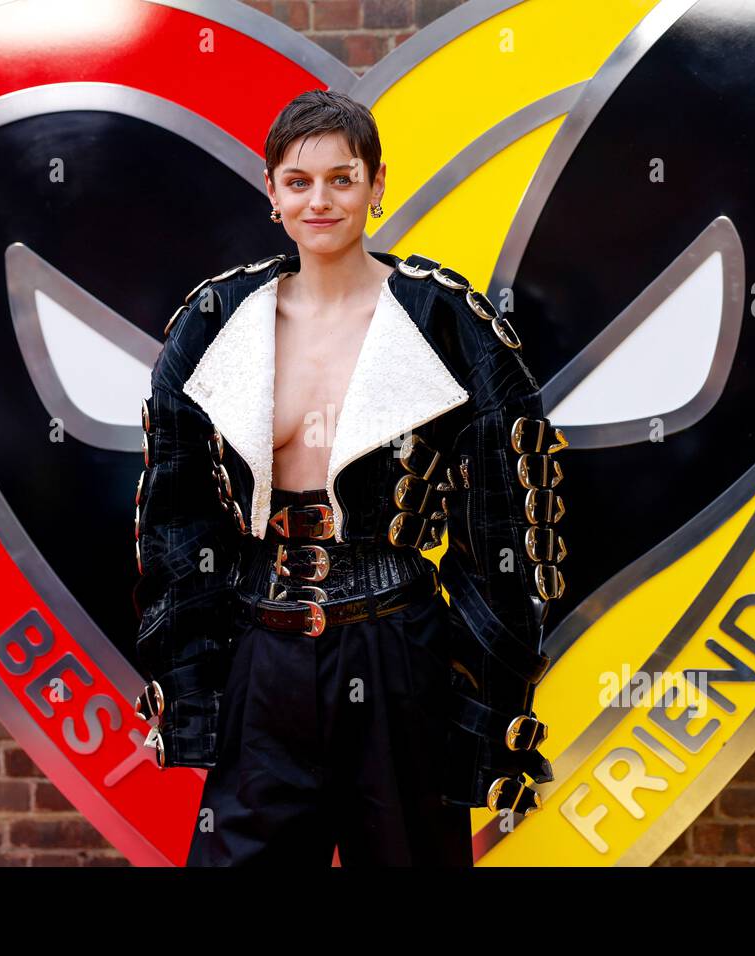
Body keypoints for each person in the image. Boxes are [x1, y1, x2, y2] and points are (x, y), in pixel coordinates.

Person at [131, 89, 568, 866]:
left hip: (398, 649)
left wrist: (486, 697)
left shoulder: (444, 320)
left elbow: (509, 515)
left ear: (377, 185)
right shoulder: (214, 321)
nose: (320, 200)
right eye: (299, 182)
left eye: (341, 178)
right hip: (261, 648)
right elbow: (176, 513)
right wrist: (192, 673)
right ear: (271, 192)